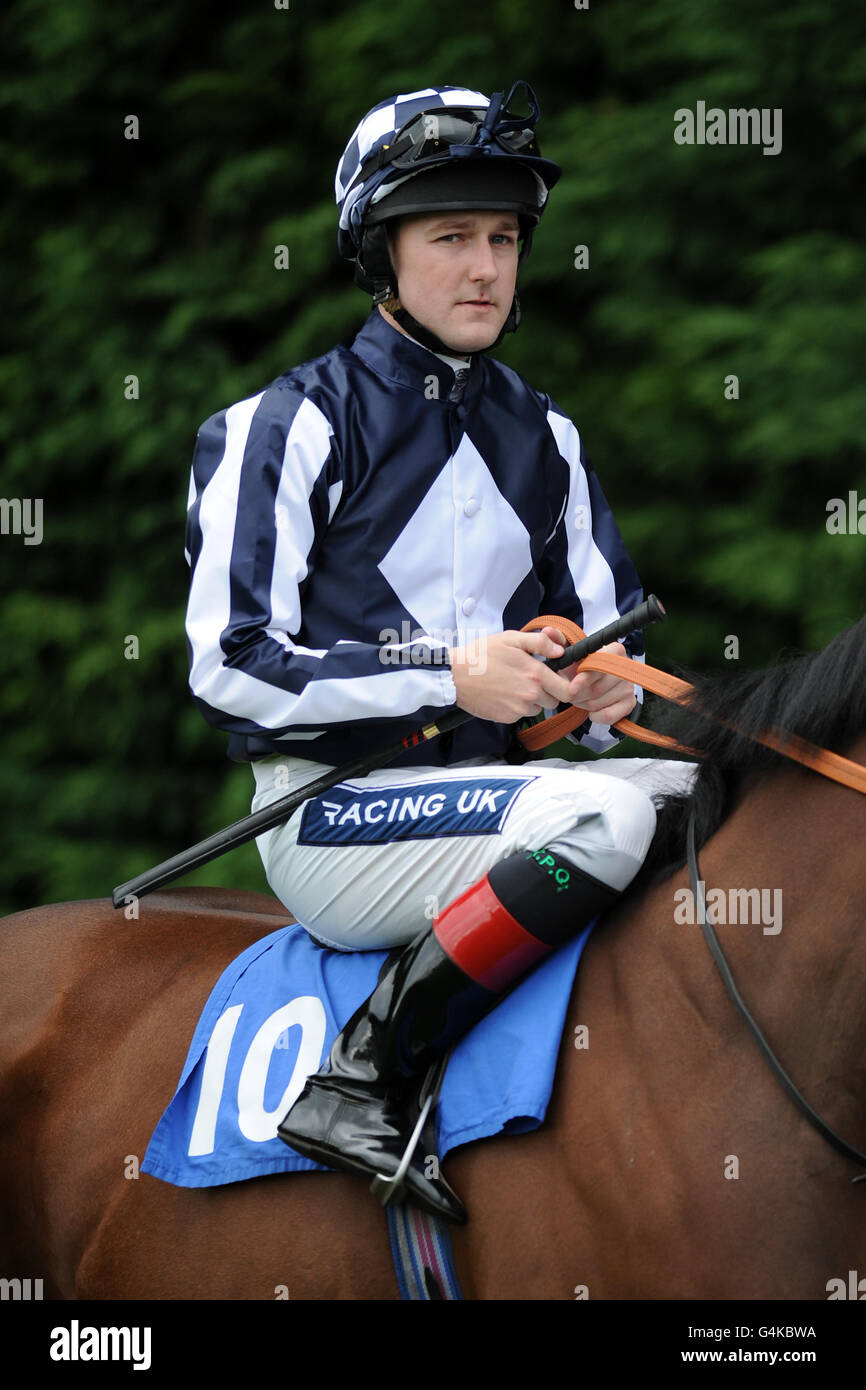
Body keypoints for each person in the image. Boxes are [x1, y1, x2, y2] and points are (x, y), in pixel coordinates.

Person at [184, 81, 697, 1223]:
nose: (483, 268)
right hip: (330, 813)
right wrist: (450, 676)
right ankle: (364, 1073)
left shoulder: (547, 438)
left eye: (503, 239)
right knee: (604, 820)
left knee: (712, 795)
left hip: (504, 798)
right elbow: (229, 663)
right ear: (383, 252)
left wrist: (598, 698)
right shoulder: (284, 425)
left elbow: (604, 670)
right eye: (449, 236)